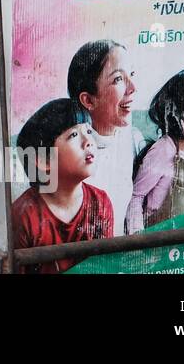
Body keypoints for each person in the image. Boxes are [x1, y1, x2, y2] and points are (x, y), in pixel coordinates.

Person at [12, 98, 114, 274]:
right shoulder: (24, 215)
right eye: (73, 135)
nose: (88, 141)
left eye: (89, 131)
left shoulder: (100, 203)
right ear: (44, 160)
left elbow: (104, 267)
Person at [66, 39, 145, 236]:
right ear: (88, 100)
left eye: (132, 75)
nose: (133, 87)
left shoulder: (133, 140)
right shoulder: (66, 155)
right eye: (118, 79)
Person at [126, 69, 184, 233]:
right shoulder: (165, 149)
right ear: (181, 111)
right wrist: (137, 238)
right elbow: (136, 197)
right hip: (159, 239)